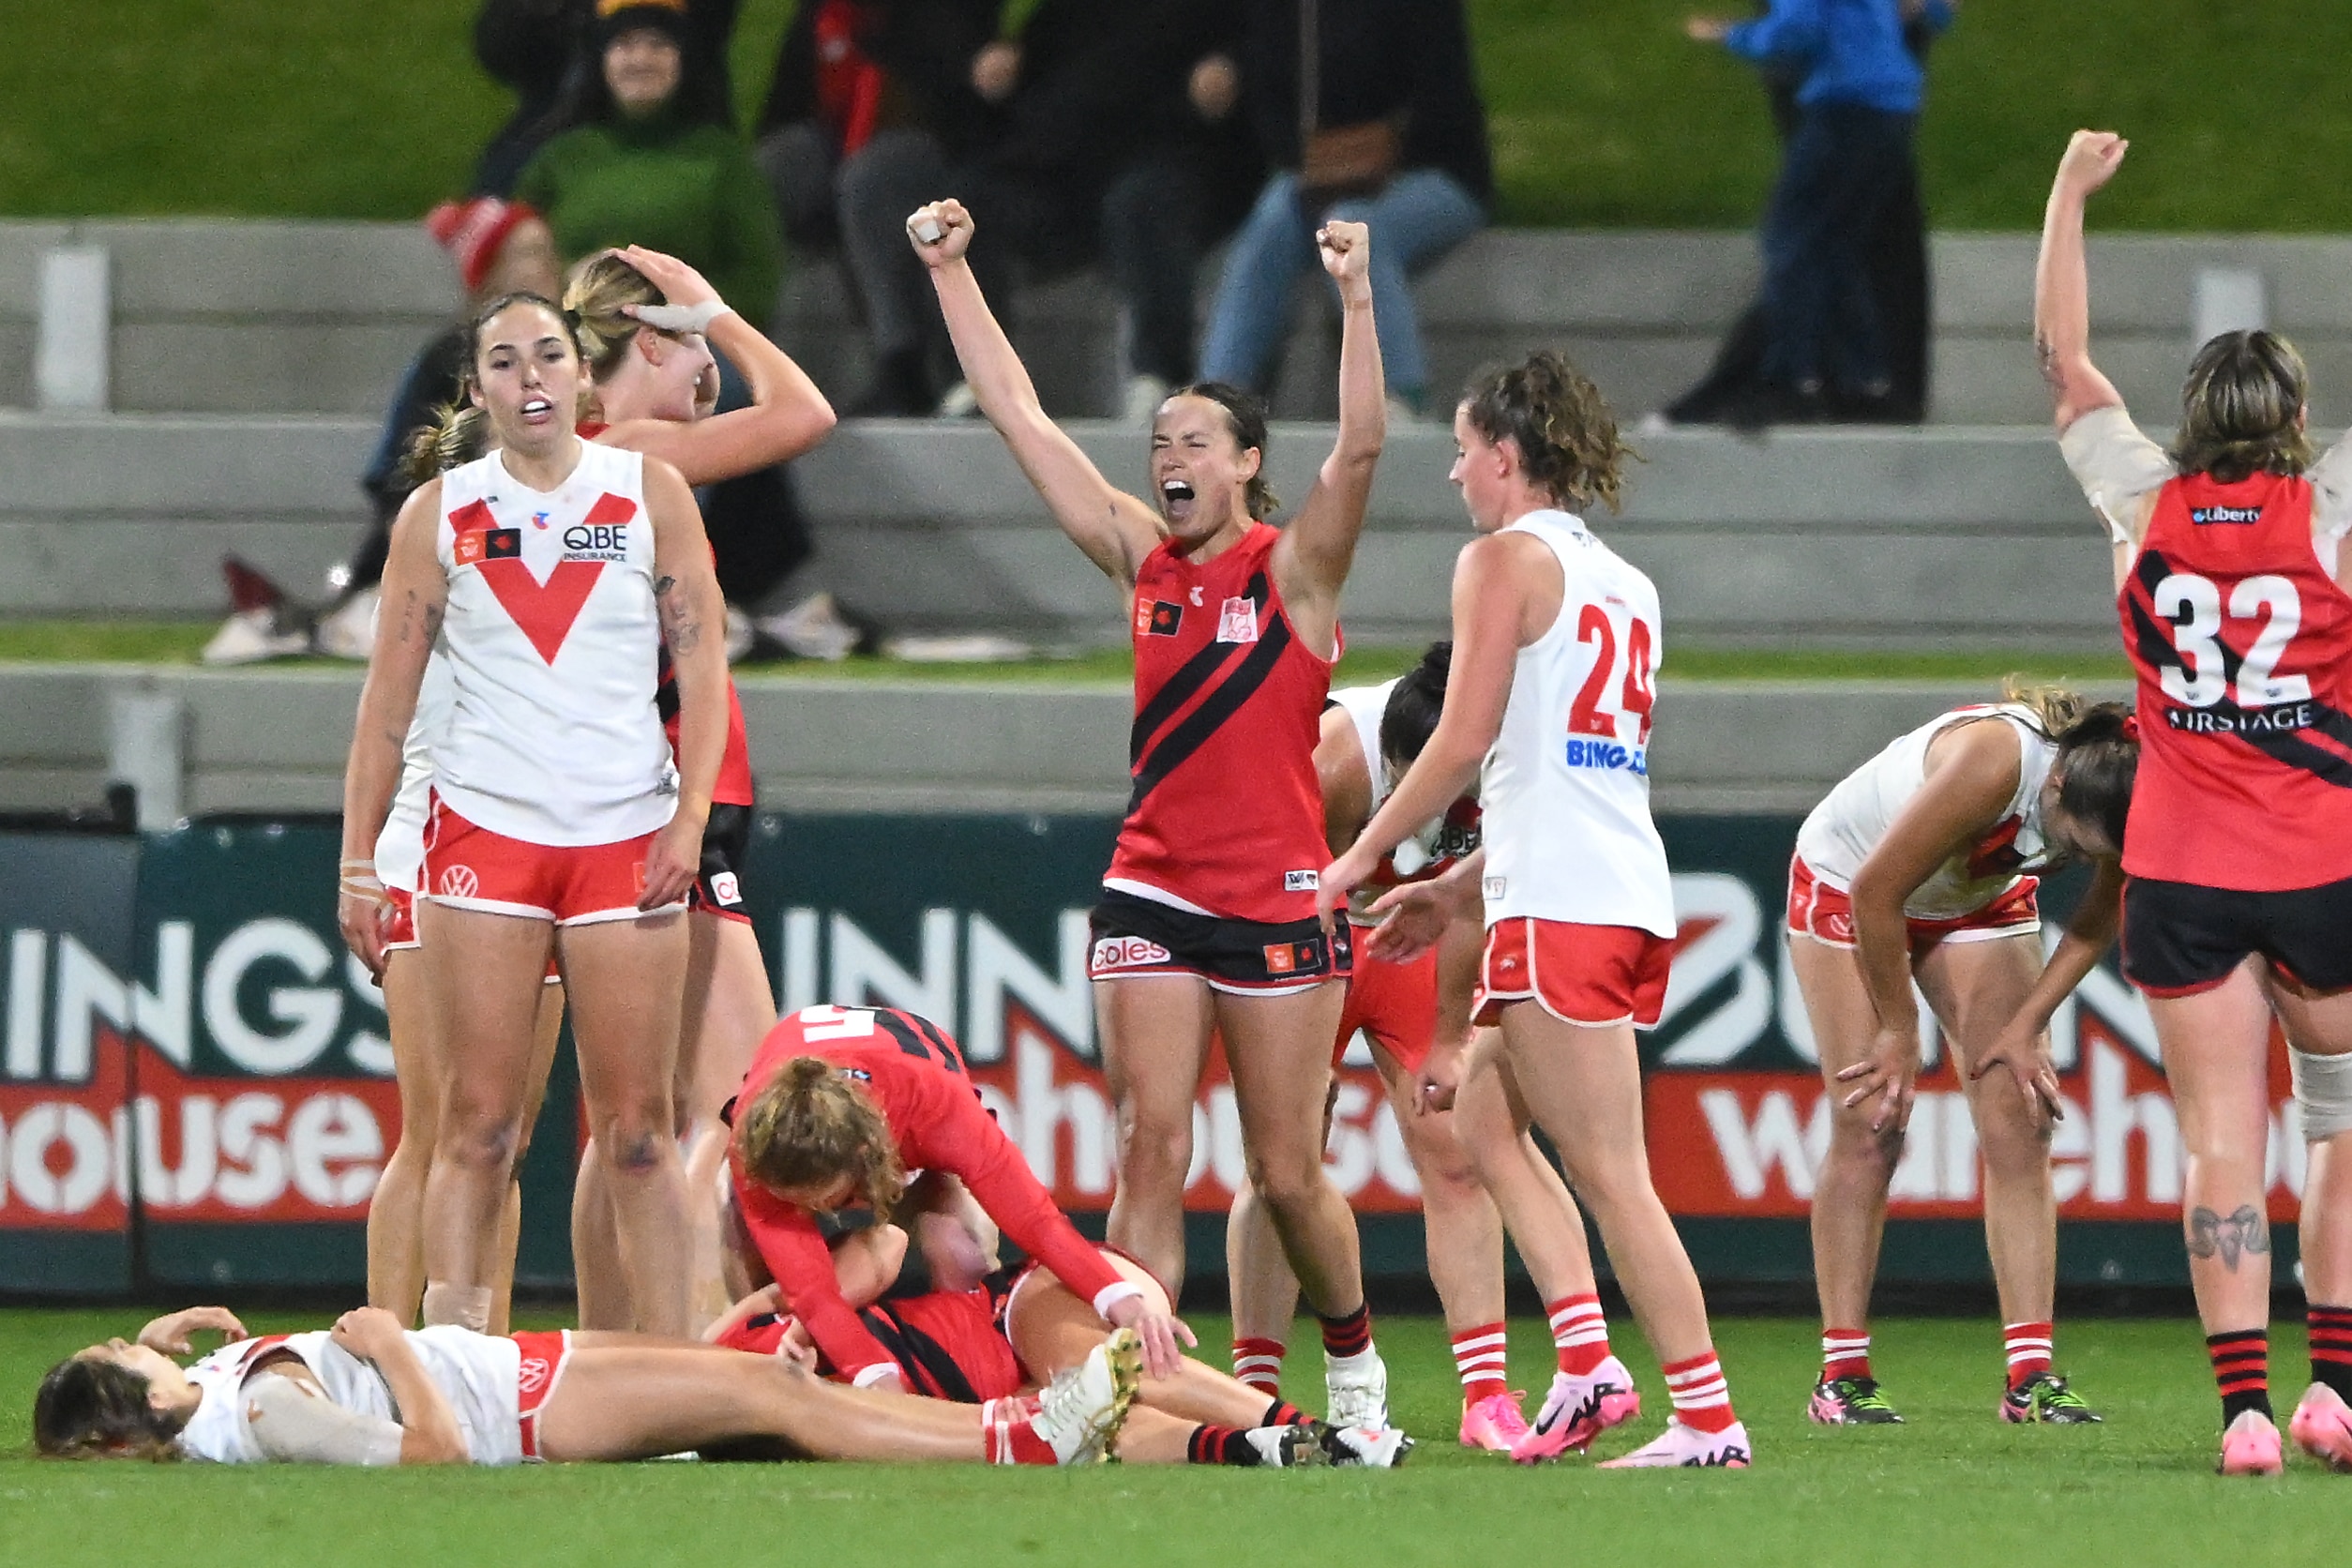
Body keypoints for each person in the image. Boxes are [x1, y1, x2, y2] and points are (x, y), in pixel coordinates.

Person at [908, 197, 1396, 1426]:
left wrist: (1353, 297)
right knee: (1147, 1144)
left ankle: (1353, 1368)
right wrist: (953, 270)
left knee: (1286, 1171)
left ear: (1244, 462)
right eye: (1158, 442)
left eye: (1195, 440)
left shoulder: (1294, 570)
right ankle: (1144, 1394)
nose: (1167, 457)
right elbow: (1020, 419)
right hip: (1155, 889)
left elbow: (1365, 450)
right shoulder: (1142, 560)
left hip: (1284, 897)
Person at [1319, 349, 1752, 1468]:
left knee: (1613, 1174)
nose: (1457, 472)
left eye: (1465, 450)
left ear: (1505, 456)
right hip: (1596, 886)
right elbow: (1570, 769)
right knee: (1478, 1117)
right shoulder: (1627, 580)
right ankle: (1583, 1365)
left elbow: (1463, 741)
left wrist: (1362, 851)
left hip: (1560, 904)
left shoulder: (1500, 560)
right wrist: (1455, 885)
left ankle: (1705, 1416)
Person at [2037, 129, 2352, 1476]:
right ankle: (2334, 1393)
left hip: (2178, 866)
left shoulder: (2139, 500)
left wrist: (2065, 196)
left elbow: (2059, 364)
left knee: (2220, 1142)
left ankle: (2240, 1415)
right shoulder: (2333, 505)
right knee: (2338, 1123)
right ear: (2289, 416)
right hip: (2323, 860)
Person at [338, 290, 726, 1341]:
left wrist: (688, 821)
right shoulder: (438, 514)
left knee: (639, 1131)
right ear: (477, 390)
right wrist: (358, 863)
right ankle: (460, 1371)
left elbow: (703, 666)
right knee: (479, 1126)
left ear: (584, 375)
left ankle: (668, 1378)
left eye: (548, 355)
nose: (531, 378)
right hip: (486, 840)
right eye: (503, 362)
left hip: (623, 839)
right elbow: (385, 706)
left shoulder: (652, 493)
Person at [1223, 642, 1641, 1456]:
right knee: (1284, 1163)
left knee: (1456, 1148)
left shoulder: (1508, 751)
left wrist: (1451, 1036)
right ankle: (1254, 1383)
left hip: (1405, 938)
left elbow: (1469, 897)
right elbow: (1267, 889)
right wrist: (1302, 1027)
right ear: (1401, 763)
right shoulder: (1337, 754)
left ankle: (1486, 1394)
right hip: (1297, 934)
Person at [1786, 682, 2137, 1425]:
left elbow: (2096, 923)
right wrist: (1897, 1031)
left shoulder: (2127, 793)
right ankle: (1842, 1375)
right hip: (1848, 883)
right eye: (2070, 843)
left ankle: (2031, 1378)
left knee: (2022, 1113)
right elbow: (1878, 892)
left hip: (1974, 899)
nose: (2073, 857)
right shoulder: (1994, 762)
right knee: (1871, 1123)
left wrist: (2026, 1026)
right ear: (2060, 781)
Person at [726, 1003, 1192, 1395]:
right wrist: (874, 1377)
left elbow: (1038, 1224)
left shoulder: (940, 1112)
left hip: (912, 1084)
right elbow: (813, 1291)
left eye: (824, 1199)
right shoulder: (756, 1146)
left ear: (865, 1162)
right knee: (744, 1246)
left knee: (957, 1254)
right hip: (823, 1104)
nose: (820, 1214)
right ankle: (754, 1361)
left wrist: (1124, 1303)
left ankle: (974, 1381)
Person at [34, 1304, 1137, 1467]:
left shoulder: (205, 1388)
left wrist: (167, 1330)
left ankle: (1017, 1419)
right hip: (510, 1409)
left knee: (764, 1371)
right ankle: (1018, 1442)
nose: (148, 1346)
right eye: (135, 1358)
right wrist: (389, 1342)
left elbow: (149, 1398)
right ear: (133, 1398)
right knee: (780, 1399)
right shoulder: (265, 1412)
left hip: (515, 1360)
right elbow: (428, 1453)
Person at [202, 199, 565, 668]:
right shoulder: (450, 362)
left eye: (546, 251)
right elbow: (403, 489)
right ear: (491, 274)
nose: (548, 266)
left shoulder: (584, 352)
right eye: (528, 254)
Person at [709, 1223, 1410, 1466]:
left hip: (1020, 1304)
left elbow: (884, 1242)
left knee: (1087, 1369)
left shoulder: (750, 1331)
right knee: (1090, 1427)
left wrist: (800, 1317)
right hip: (1010, 1401)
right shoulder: (812, 1426)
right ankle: (1267, 1450)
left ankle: (1318, 1431)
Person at [1661, 0, 1951, 428]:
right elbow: (1930, 12)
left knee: (1793, 240)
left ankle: (1790, 377)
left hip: (1844, 105)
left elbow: (1799, 28)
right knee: (1839, 241)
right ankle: (1864, 376)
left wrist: (1731, 35)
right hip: (1891, 103)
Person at [1198, 0, 1490, 416]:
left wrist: (1365, 163)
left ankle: (1399, 398)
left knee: (1353, 227)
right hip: (1322, 176)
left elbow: (1442, 103)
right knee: (1270, 223)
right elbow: (1275, 103)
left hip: (1433, 173)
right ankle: (1217, 402)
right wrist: (1314, 166)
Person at [753, 0, 1004, 415]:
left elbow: (951, 87)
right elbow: (786, 105)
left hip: (934, 141)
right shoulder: (822, 12)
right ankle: (738, 364)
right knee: (768, 170)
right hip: (833, 139)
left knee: (868, 180)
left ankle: (901, 362)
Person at [517, 0, 781, 326]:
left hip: (689, 346)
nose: (641, 59)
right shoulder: (559, 158)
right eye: (625, 45)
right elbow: (516, 261)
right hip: (574, 337)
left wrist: (660, 301)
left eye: (658, 45)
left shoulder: (721, 159)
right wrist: (575, 285)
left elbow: (758, 282)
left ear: (683, 60)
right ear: (602, 59)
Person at [1098, 0, 1259, 422]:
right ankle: (1158, 372)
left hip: (1236, 156)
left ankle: (1167, 373)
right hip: (1143, 154)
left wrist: (1232, 69)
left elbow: (1272, 43)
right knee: (1136, 202)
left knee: (1148, 203)